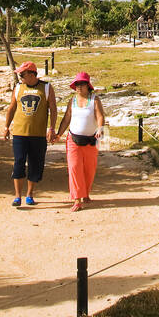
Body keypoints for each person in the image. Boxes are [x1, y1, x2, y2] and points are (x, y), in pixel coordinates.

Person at [3, 61, 57, 207]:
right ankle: (17, 196)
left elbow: (53, 108)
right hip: (20, 133)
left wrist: (52, 128)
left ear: (32, 74)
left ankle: (30, 194)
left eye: (22, 74)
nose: (20, 77)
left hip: (38, 134)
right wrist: (7, 126)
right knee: (19, 162)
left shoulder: (46, 87)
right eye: (19, 74)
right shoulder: (18, 87)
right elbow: (12, 108)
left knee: (35, 164)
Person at [54, 72, 105, 212]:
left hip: (91, 140)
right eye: (77, 84)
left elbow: (100, 116)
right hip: (73, 139)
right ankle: (77, 199)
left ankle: (86, 193)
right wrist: (59, 134)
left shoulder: (95, 100)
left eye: (81, 84)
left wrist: (100, 129)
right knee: (75, 168)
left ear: (88, 86)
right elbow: (66, 119)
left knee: (89, 169)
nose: (78, 87)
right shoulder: (72, 101)